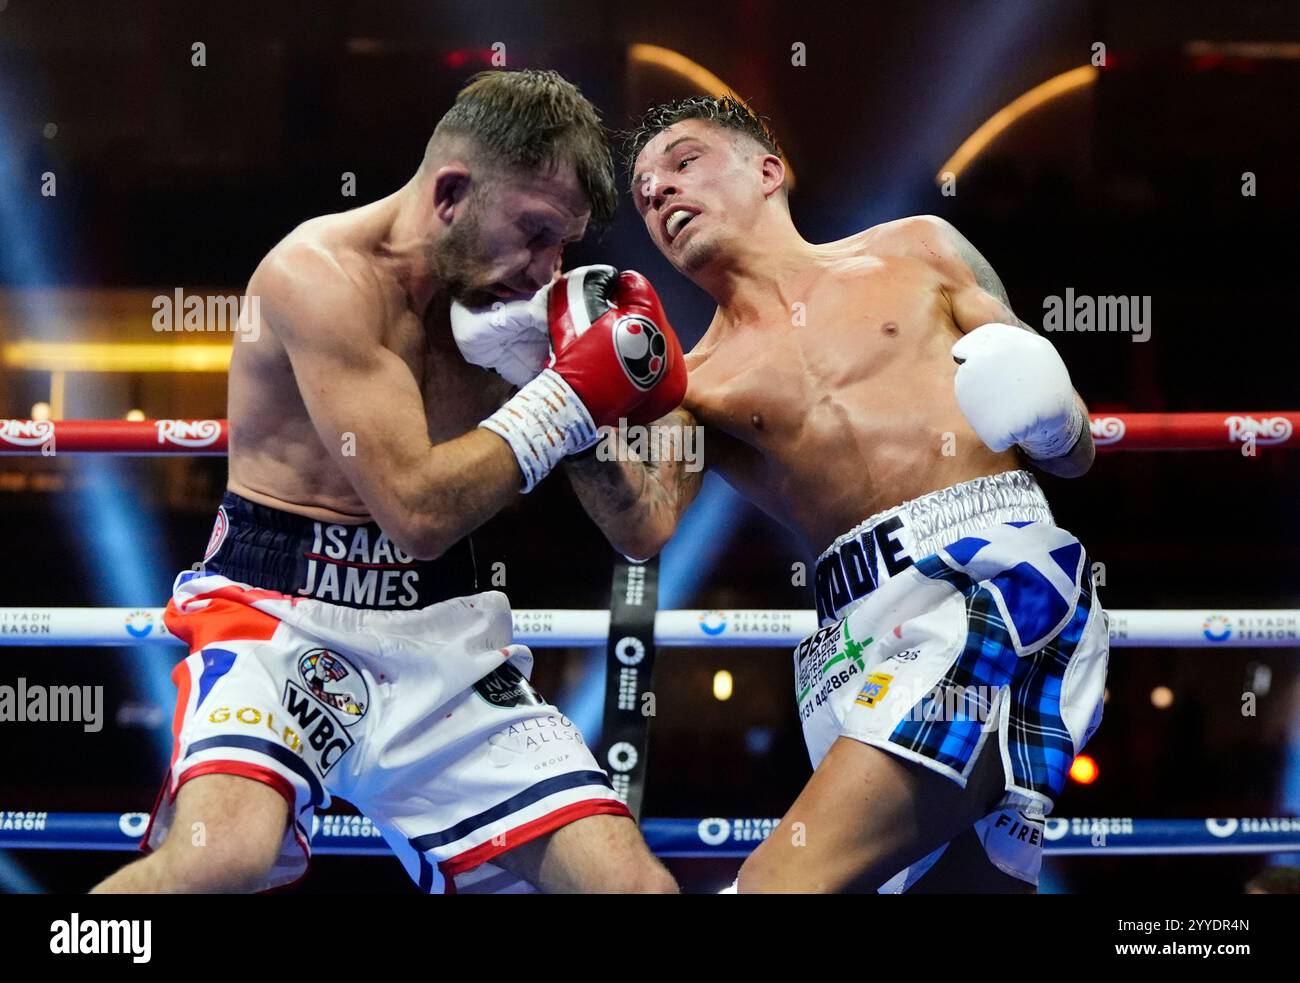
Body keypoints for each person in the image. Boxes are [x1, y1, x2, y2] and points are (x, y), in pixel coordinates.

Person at [92, 70, 684, 895]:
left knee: (633, 886)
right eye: (535, 231)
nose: (548, 268)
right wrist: (566, 398)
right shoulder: (319, 277)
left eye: (565, 244)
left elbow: (642, 530)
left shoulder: (512, 306)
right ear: (451, 193)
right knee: (218, 856)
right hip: (277, 614)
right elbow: (417, 512)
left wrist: (578, 408)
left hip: (441, 630)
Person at [561, 96, 1109, 892]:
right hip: (851, 642)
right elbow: (641, 524)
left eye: (683, 163)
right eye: (644, 194)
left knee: (778, 881)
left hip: (994, 587)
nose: (661, 193)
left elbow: (1075, 451)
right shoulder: (692, 382)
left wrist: (1054, 423)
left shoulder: (919, 250)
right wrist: (576, 407)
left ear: (767, 171)